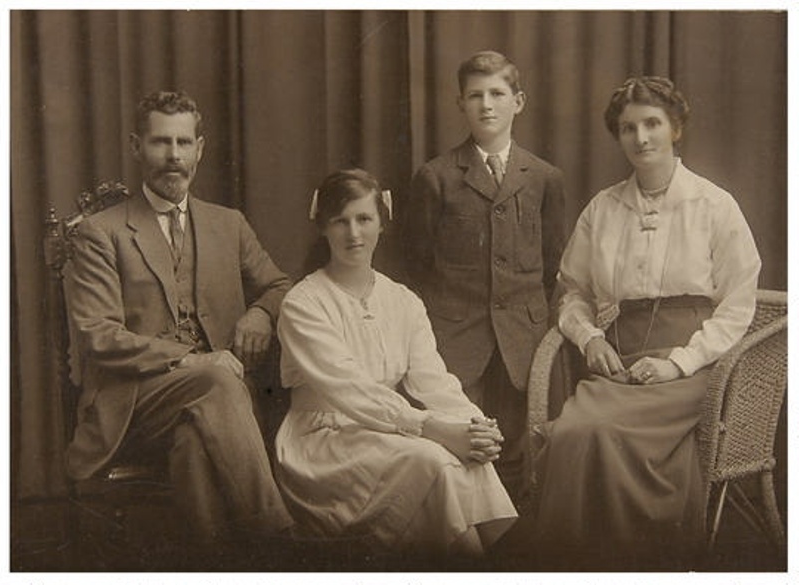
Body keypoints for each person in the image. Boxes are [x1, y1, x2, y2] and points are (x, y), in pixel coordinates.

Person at [532, 76, 761, 569]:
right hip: (621, 364)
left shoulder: (715, 205)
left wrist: (678, 364)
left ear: (675, 128)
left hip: (695, 368)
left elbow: (737, 307)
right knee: (573, 433)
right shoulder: (603, 208)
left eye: (653, 124)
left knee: (603, 431)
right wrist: (590, 339)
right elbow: (573, 292)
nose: (641, 138)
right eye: (628, 128)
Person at [66, 90, 295, 548]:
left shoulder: (228, 224)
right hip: (134, 403)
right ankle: (277, 538)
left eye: (183, 143)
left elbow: (280, 286)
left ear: (200, 149)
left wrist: (260, 313)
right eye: (160, 142)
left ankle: (215, 565)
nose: (174, 156)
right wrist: (192, 361)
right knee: (218, 381)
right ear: (137, 146)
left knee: (193, 443)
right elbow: (99, 334)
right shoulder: (102, 232)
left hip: (215, 407)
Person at [275, 169, 518, 558]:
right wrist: (431, 428)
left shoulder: (403, 300)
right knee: (433, 460)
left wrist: (474, 427)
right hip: (323, 445)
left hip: (384, 431)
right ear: (323, 227)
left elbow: (433, 381)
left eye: (364, 218)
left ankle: (501, 564)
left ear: (381, 223)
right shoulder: (303, 303)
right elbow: (350, 389)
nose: (354, 233)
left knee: (470, 457)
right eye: (340, 221)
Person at [402, 50, 566, 500]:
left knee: (515, 449)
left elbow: (552, 264)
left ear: (519, 101)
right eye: (475, 95)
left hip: (521, 339)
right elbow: (416, 264)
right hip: (456, 337)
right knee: (462, 444)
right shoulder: (435, 177)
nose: (487, 105)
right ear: (461, 104)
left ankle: (513, 535)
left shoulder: (544, 178)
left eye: (497, 93)